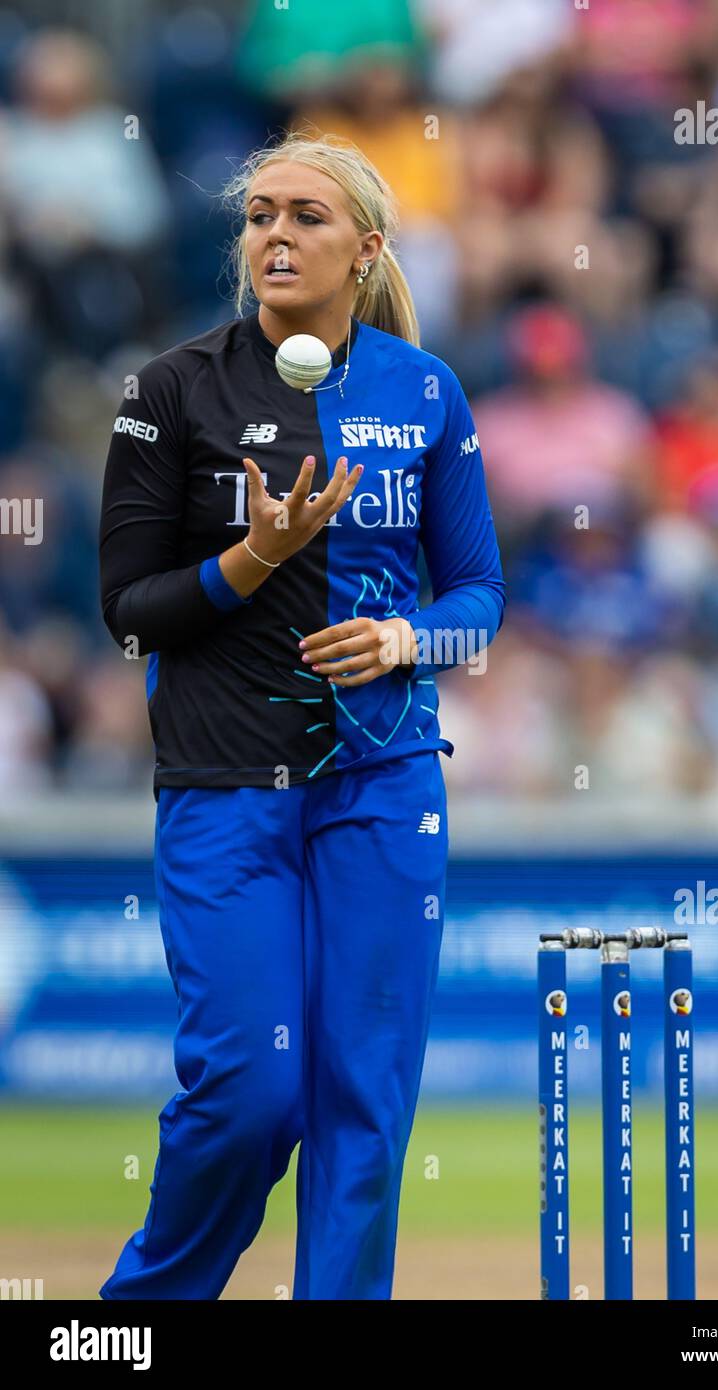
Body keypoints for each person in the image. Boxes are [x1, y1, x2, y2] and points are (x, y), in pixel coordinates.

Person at [97, 132, 505, 1300]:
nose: (274, 234)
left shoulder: (424, 391)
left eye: (305, 217)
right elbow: (129, 612)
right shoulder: (168, 391)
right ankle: (140, 1316)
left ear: (364, 248)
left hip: (382, 784)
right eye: (260, 214)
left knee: (360, 1101)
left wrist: (403, 639)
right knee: (250, 1095)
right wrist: (252, 559)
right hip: (225, 787)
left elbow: (480, 598)